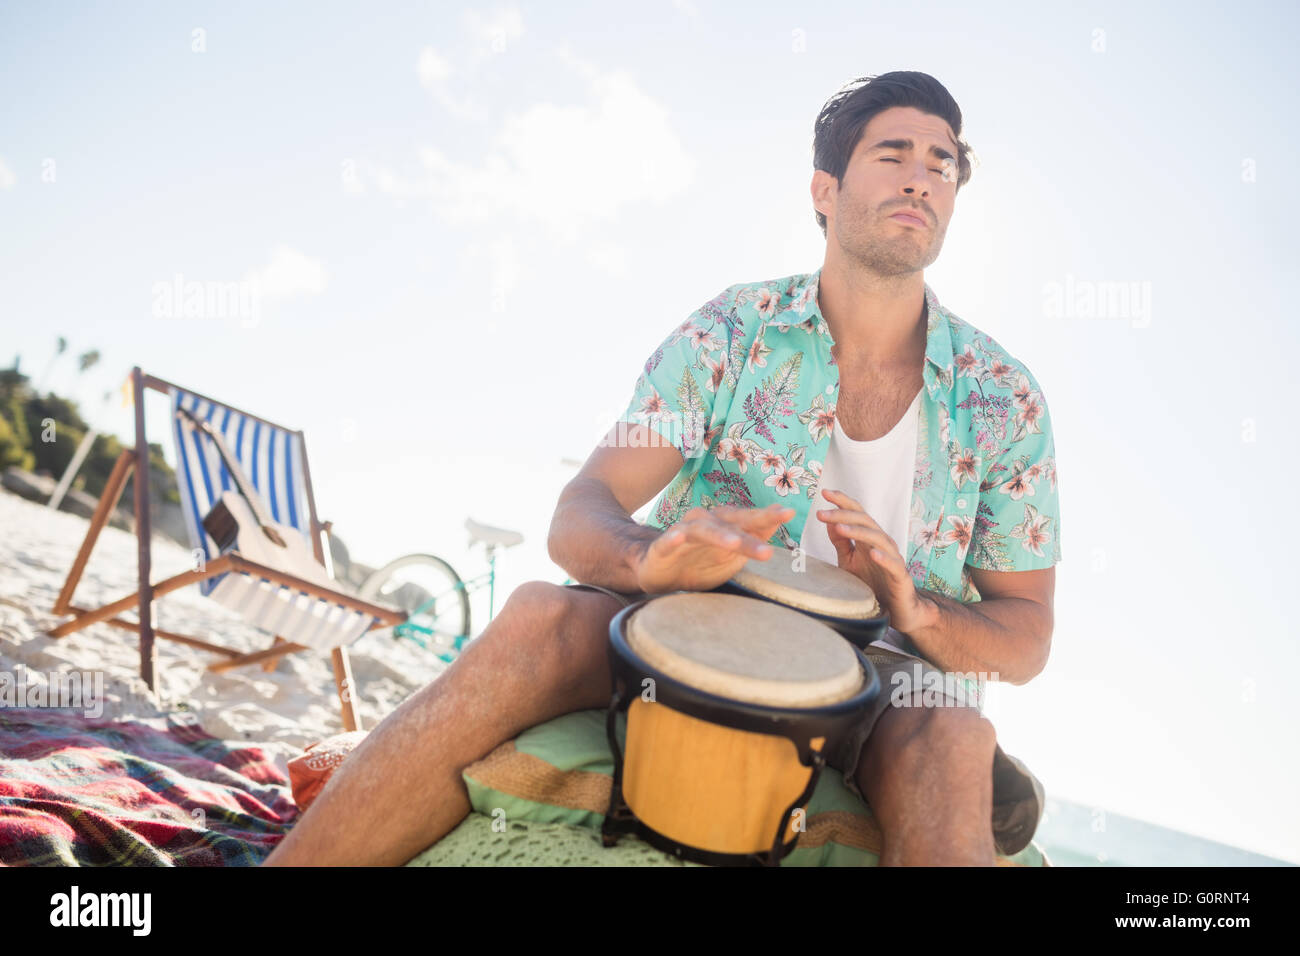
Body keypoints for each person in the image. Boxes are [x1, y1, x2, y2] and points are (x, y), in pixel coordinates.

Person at [264, 70, 1062, 867]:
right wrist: (647, 557)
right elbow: (584, 508)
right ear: (825, 189)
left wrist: (914, 608)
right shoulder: (731, 333)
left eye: (943, 162)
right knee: (540, 613)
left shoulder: (1005, 398)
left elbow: (1024, 640)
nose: (923, 176)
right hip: (694, 626)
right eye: (894, 153)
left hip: (888, 680)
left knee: (955, 734)